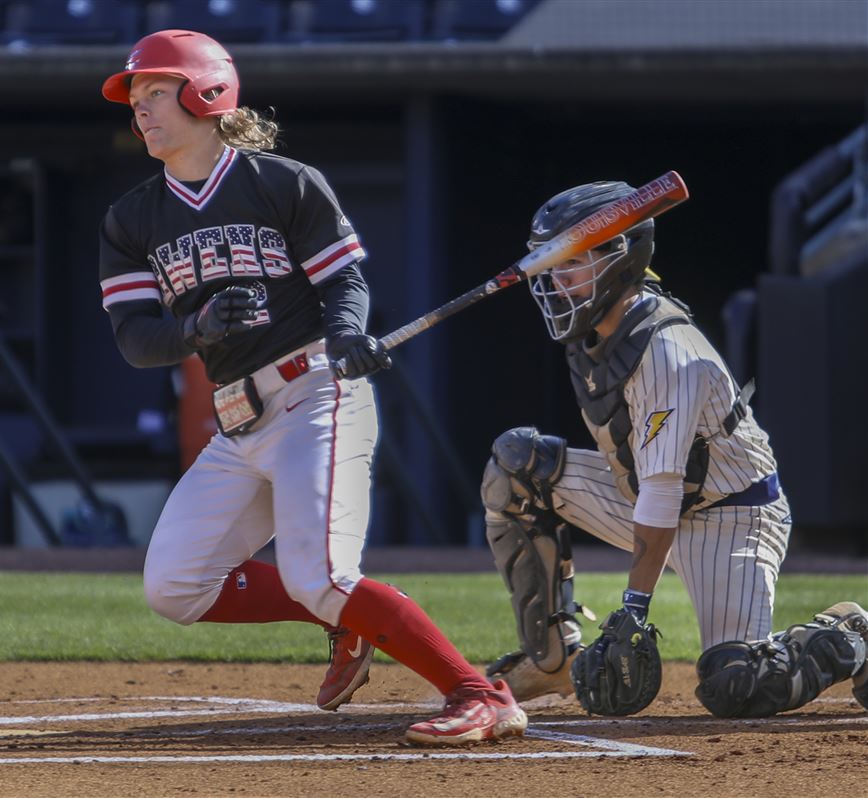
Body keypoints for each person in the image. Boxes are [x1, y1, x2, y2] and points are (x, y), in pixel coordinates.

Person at [97, 29, 527, 745]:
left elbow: (344, 282)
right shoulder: (131, 216)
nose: (139, 109)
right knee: (173, 587)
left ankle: (480, 693)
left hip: (314, 396)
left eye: (153, 92)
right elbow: (135, 339)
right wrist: (196, 328)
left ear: (206, 92)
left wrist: (351, 329)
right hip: (238, 421)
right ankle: (357, 615)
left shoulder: (282, 182)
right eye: (134, 98)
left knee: (320, 575)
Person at [479, 180, 868, 717]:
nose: (555, 278)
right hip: (644, 496)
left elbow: (664, 495)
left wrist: (634, 608)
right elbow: (650, 489)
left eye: (570, 262)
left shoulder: (666, 351)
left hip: (729, 515)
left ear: (618, 257)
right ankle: (551, 660)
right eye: (549, 263)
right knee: (516, 467)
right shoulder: (595, 326)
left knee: (737, 686)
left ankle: (850, 634)